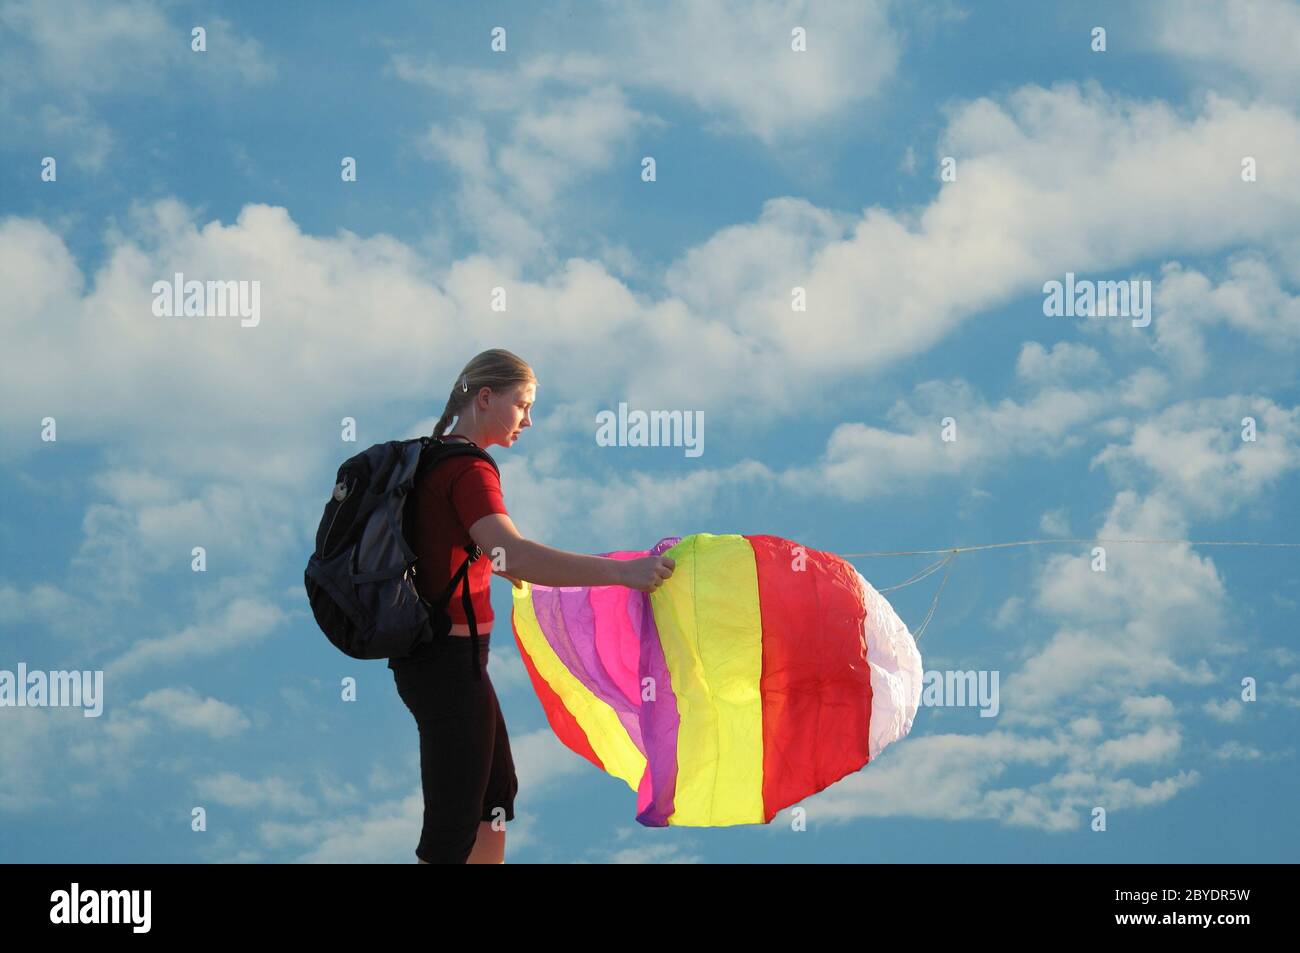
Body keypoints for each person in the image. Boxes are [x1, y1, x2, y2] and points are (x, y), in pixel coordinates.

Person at [390, 348, 676, 863]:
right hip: (446, 667)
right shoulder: (467, 469)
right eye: (523, 405)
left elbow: (480, 558)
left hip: (446, 666)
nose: (529, 420)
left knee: (492, 799)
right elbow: (510, 554)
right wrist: (622, 575)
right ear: (485, 398)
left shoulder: (432, 461)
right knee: (453, 825)